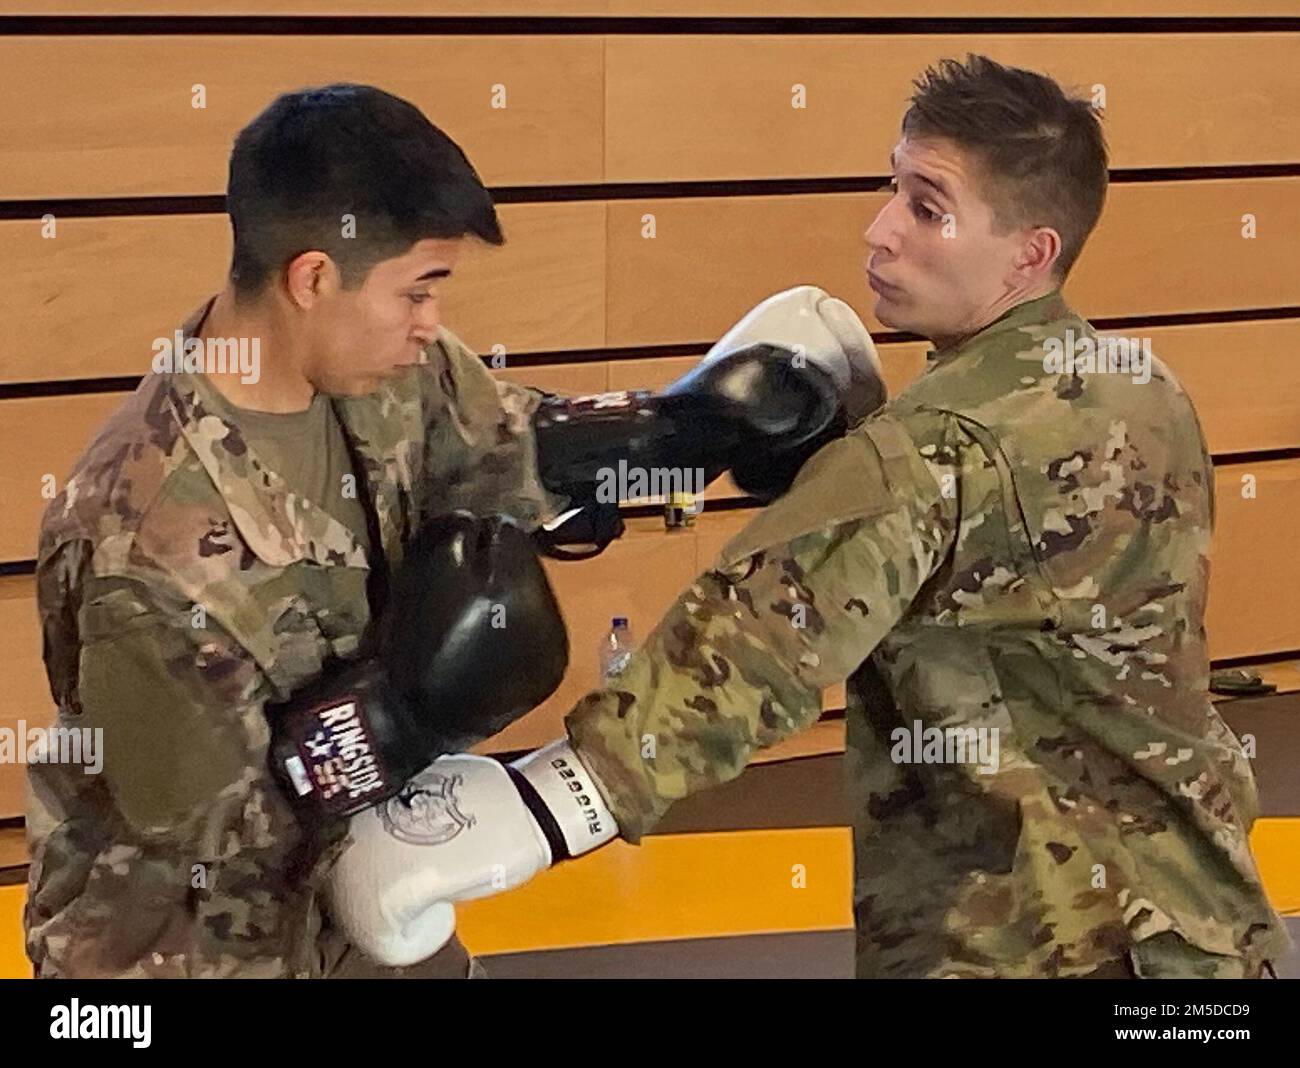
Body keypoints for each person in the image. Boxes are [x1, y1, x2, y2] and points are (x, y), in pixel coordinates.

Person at [336, 55, 1293, 979]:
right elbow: (1013, 573)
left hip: (1038, 941)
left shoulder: (929, 450)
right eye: (893, 189)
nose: (880, 231)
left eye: (928, 208)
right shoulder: (1141, 387)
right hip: (1199, 935)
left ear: (1029, 252)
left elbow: (759, 641)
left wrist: (543, 807)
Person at [25, 83, 881, 979]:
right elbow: (200, 828)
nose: (431, 323)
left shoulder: (388, 368)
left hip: (363, 904)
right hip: (189, 949)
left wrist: (679, 430)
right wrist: (397, 719)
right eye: (417, 293)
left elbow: (503, 446)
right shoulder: (145, 543)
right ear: (312, 278)